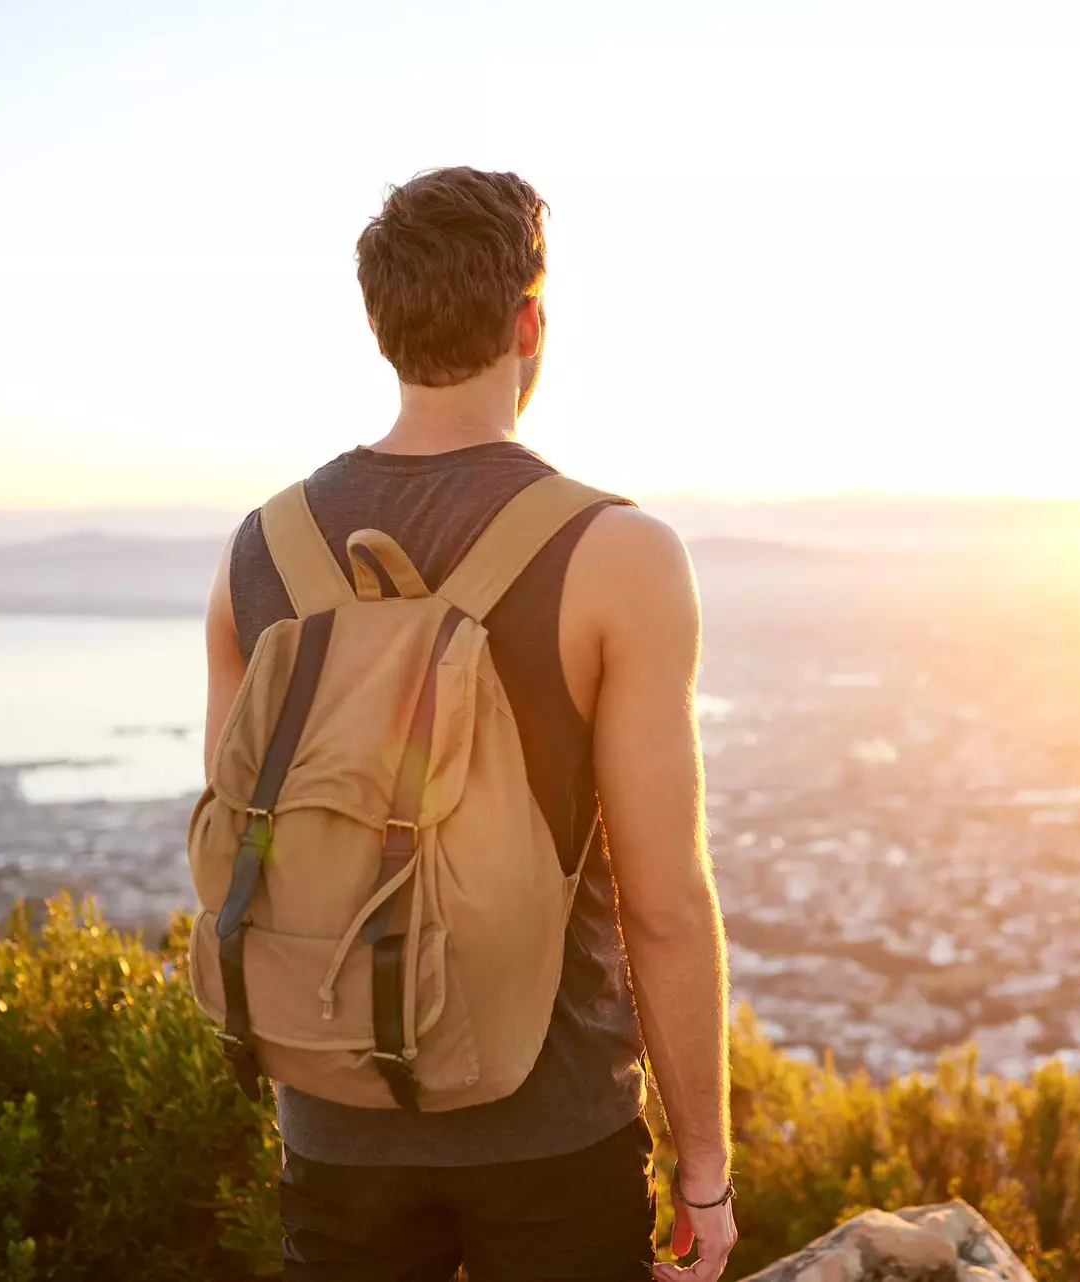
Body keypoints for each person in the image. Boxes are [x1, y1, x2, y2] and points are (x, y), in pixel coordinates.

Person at [201, 167, 734, 1282]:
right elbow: (666, 903)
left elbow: (247, 840)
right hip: (554, 1132)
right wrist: (704, 1171)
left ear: (380, 324)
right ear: (529, 319)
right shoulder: (618, 554)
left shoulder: (261, 550)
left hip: (333, 1127)